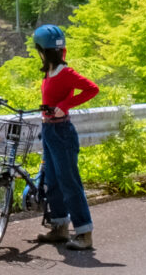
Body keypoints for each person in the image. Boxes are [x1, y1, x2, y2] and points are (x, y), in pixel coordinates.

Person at [30, 24, 100, 250]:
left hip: (62, 131)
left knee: (69, 181)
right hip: (49, 130)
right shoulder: (50, 72)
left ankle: (84, 233)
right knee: (52, 181)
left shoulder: (65, 73)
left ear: (42, 50)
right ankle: (59, 227)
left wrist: (65, 105)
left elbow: (92, 89)